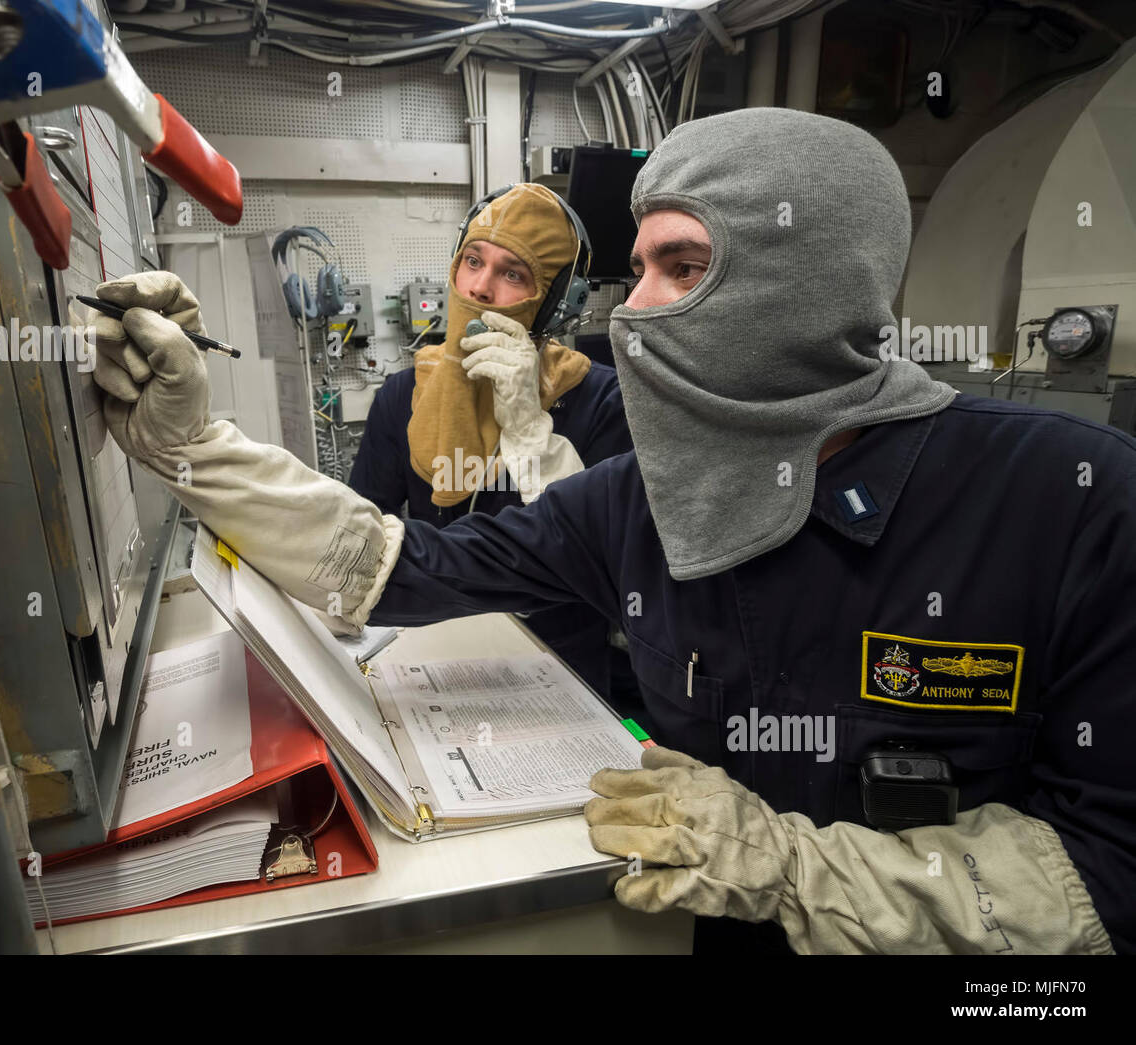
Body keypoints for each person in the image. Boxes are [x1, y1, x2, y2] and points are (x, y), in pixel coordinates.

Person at [88, 107, 1132, 954]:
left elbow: (1109, 874)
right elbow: (397, 566)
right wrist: (191, 445)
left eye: (681, 269)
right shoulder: (637, 496)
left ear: (807, 279)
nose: (632, 314)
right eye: (632, 272)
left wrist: (794, 867)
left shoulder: (1069, 499)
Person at [347, 182, 644, 721]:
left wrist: (531, 428)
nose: (480, 288)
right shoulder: (403, 396)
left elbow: (609, 558)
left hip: (561, 679)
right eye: (472, 261)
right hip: (431, 664)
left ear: (555, 301)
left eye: (513, 274)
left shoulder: (601, 400)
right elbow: (363, 529)